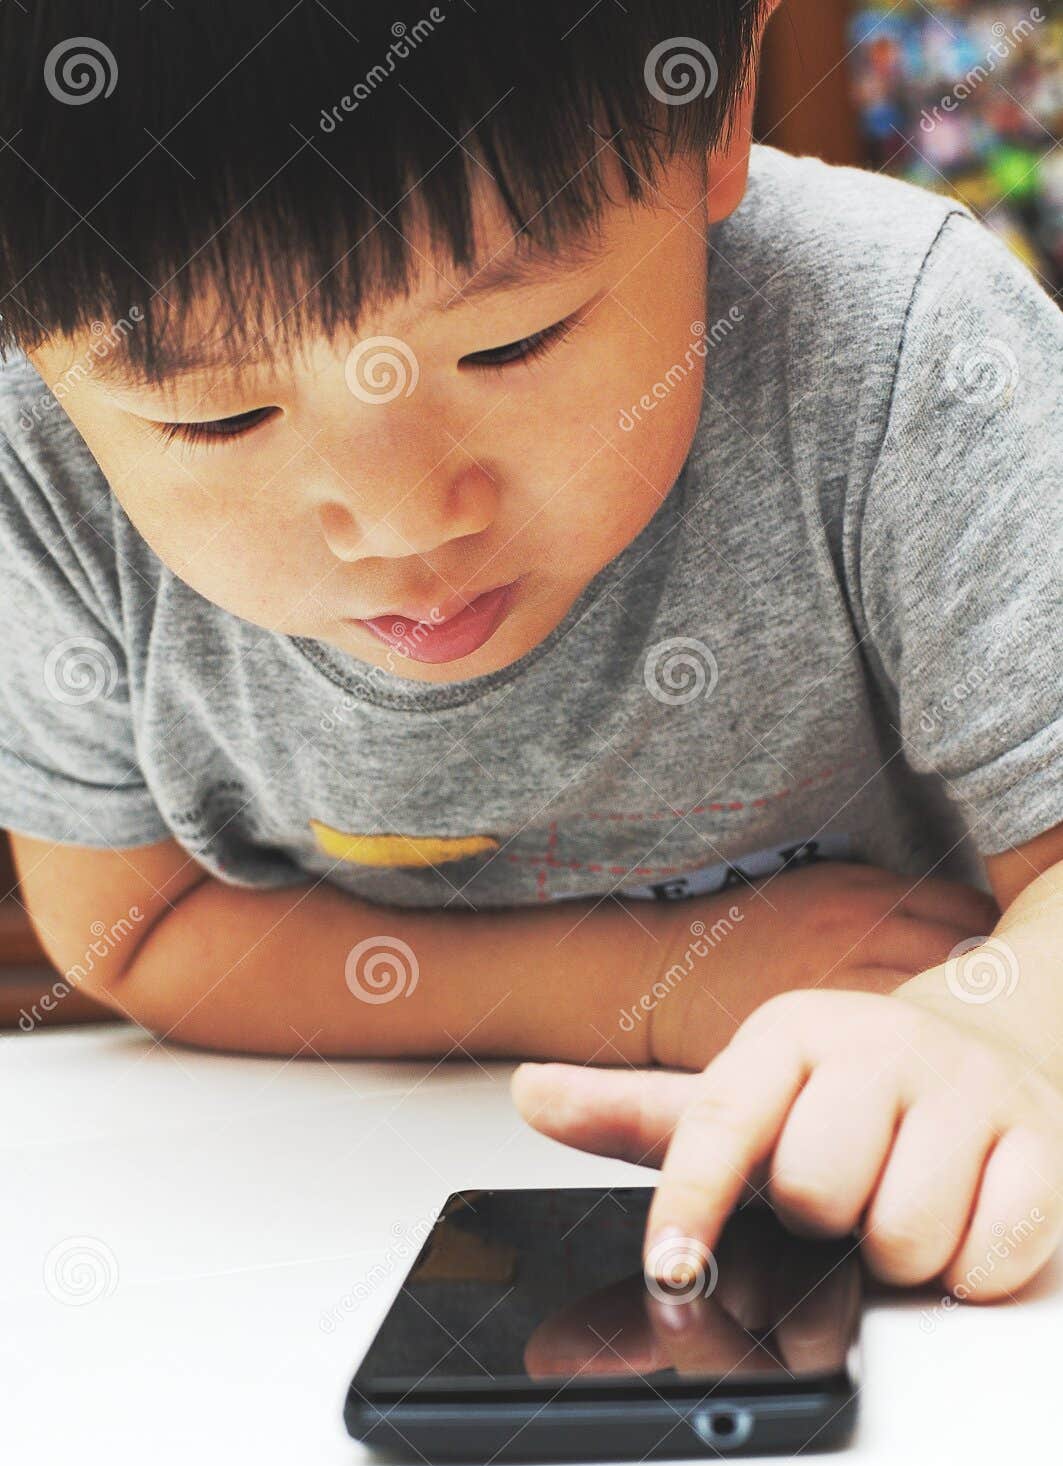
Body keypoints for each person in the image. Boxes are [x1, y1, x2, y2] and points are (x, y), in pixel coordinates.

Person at [1, 2, 1060, 1302]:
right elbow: (130, 926)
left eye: (508, 343)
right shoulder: (39, 455)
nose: (399, 523)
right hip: (311, 1235)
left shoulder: (904, 350)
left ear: (715, 111)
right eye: (217, 416)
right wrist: (645, 984)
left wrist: (988, 1034)